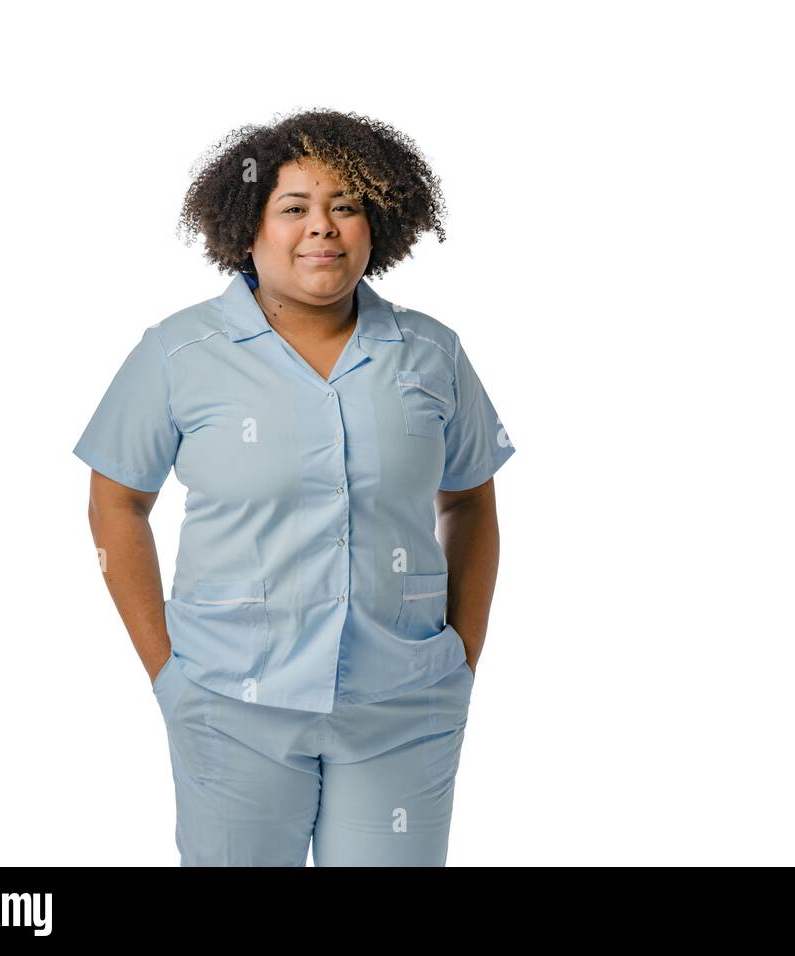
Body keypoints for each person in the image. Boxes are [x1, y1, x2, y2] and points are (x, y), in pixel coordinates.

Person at [72, 109, 516, 865]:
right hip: (229, 707)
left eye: (346, 206)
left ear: (379, 226)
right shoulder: (179, 354)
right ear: (247, 229)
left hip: (403, 708)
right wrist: (169, 675)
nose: (324, 228)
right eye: (295, 208)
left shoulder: (431, 352)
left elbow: (469, 497)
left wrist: (462, 659)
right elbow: (118, 502)